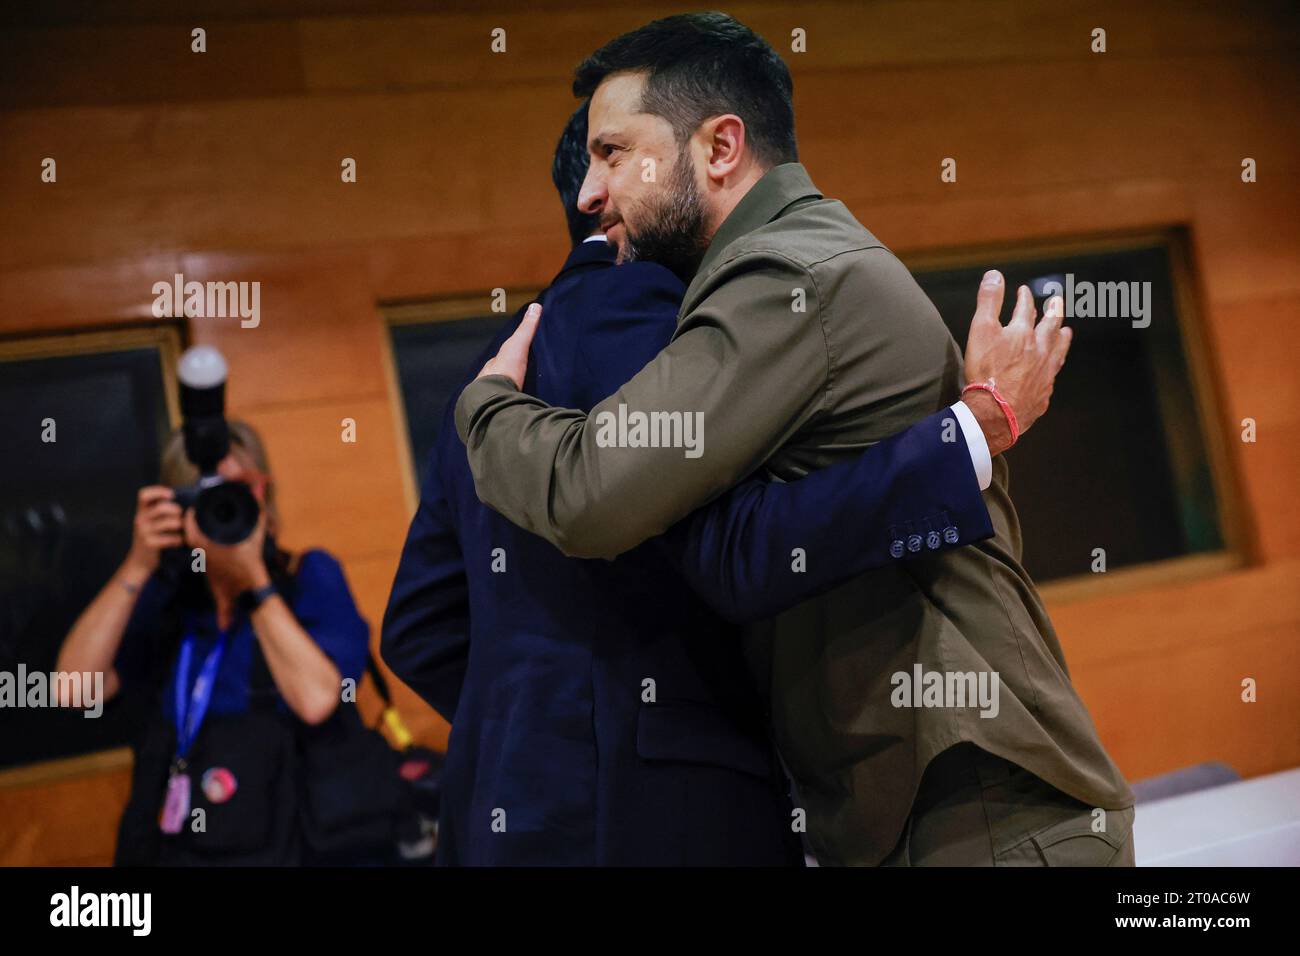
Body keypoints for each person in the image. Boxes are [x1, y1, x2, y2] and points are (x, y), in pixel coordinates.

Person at [457, 13, 1135, 865]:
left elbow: (590, 491)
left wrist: (484, 407)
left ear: (719, 147)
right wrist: (970, 432)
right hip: (942, 806)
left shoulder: (785, 275)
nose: (590, 194)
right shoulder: (790, 264)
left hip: (979, 809)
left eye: (613, 152)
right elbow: (738, 548)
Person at [57, 420, 371, 865]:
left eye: (241, 489)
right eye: (207, 496)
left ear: (265, 495)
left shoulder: (308, 578)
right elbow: (72, 690)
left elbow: (318, 700)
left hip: (293, 846)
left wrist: (255, 582)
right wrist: (138, 564)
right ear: (177, 507)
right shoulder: (167, 599)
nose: (225, 508)